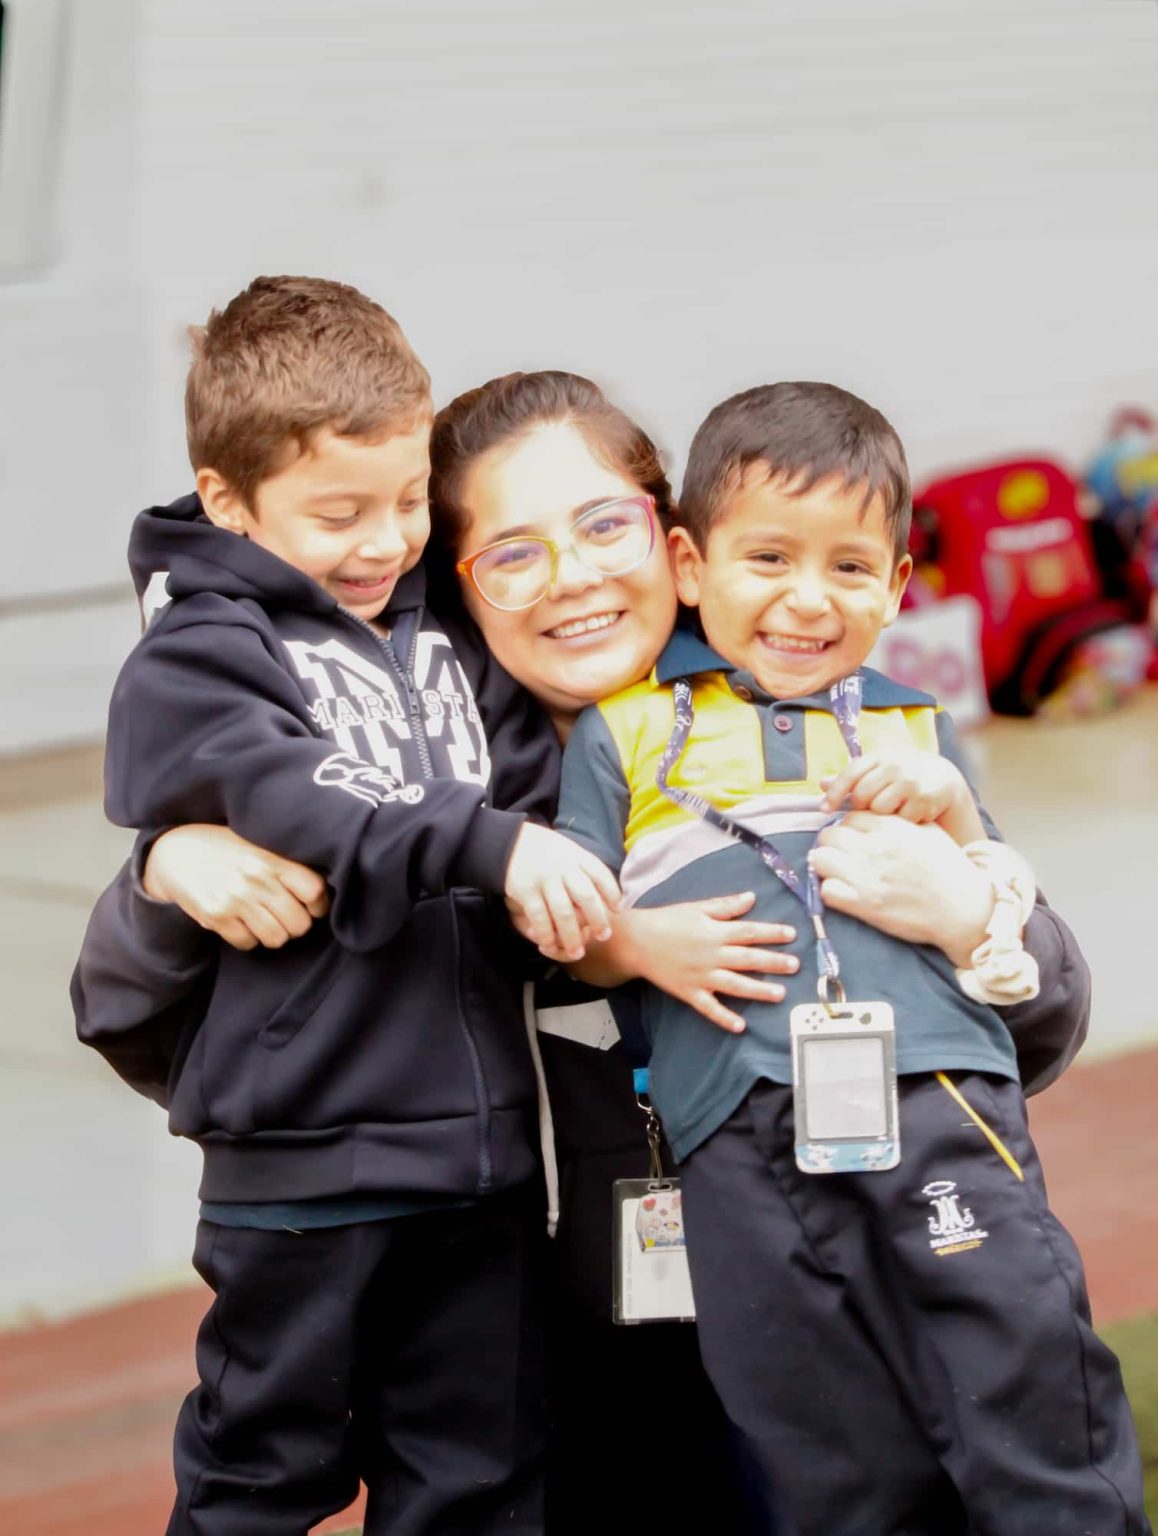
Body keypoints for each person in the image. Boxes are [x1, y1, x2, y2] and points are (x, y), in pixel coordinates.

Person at [76, 372, 1092, 1534]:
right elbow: (132, 1021)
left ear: (677, 541)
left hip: (816, 1330)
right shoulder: (414, 816)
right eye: (512, 553)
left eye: (605, 525)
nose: (574, 578)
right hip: (547, 1370)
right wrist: (165, 874)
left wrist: (968, 915)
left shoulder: (813, 725)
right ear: (452, 589)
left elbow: (1045, 1020)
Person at [82, 277, 629, 1536]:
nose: (383, 542)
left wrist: (546, 853)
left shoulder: (439, 628)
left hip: (481, 1171)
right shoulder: (202, 656)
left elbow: (530, 786)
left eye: (403, 505)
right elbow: (305, 798)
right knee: (263, 1476)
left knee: (480, 1481)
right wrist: (493, 847)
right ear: (228, 501)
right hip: (304, 1171)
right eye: (338, 514)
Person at [554, 380, 1148, 1536]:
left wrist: (962, 831)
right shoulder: (619, 731)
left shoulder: (920, 728)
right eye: (768, 556)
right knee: (821, 1449)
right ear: (689, 562)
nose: (806, 600)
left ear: (898, 586)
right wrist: (628, 938)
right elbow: (572, 915)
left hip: (935, 1100)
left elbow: (1013, 936)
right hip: (730, 1139)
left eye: (849, 567)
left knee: (1025, 1397)